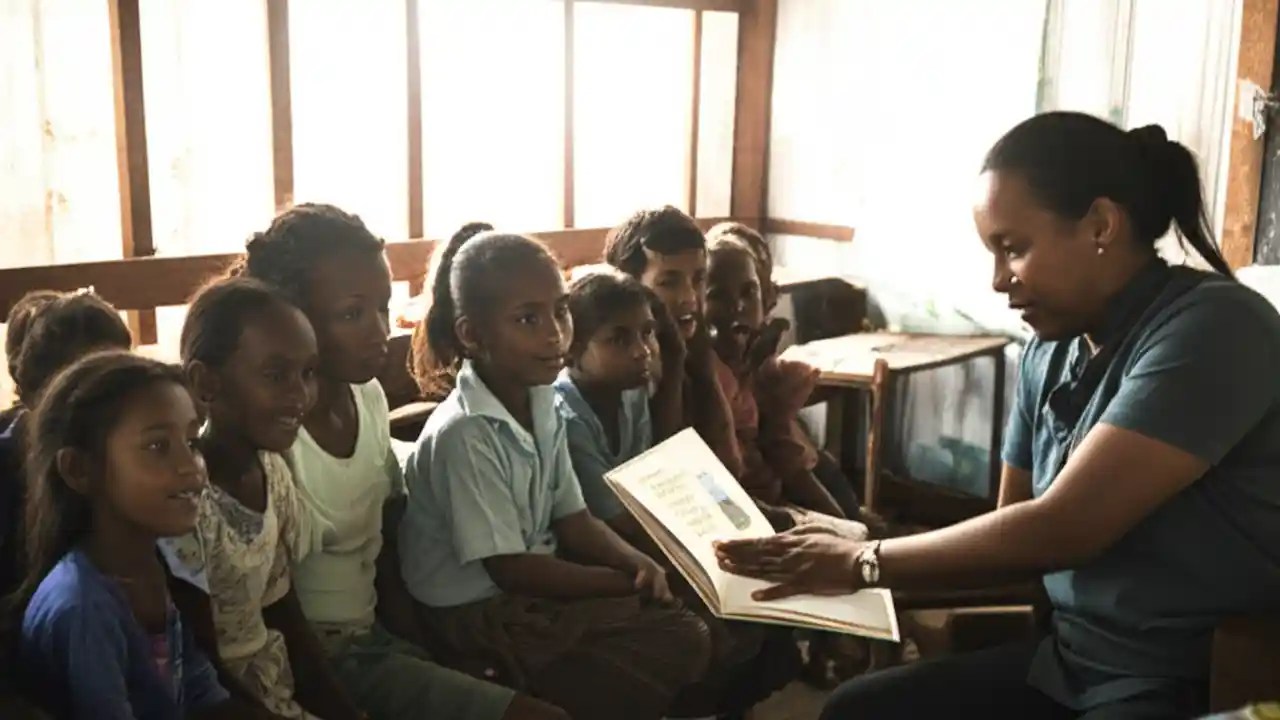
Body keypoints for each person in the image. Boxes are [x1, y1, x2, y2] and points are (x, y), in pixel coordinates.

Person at [714, 112, 1280, 719]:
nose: (997, 280)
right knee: (857, 710)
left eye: (1014, 248)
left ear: (1100, 225)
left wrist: (865, 561)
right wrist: (860, 540)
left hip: (1183, 676)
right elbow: (1013, 536)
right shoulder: (1051, 350)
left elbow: (1064, 528)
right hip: (1070, 663)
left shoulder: (1217, 328)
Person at [240, 204, 562, 720]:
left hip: (377, 637)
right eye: (351, 314)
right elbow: (278, 608)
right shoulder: (276, 438)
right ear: (291, 317)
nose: (377, 331)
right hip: (317, 659)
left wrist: (430, 649)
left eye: (382, 309)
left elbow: (387, 540)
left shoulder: (367, 396)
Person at [402, 228, 711, 720]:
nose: (554, 334)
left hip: (526, 585)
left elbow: (574, 517)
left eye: (560, 311)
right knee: (678, 634)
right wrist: (620, 582)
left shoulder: (542, 399)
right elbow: (510, 567)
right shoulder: (466, 433)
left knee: (683, 619)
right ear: (471, 335)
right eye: (528, 319)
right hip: (477, 612)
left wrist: (636, 563)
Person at [553, 267, 800, 715]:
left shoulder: (628, 392)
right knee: (727, 596)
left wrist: (675, 364)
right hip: (599, 547)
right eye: (619, 339)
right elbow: (614, 523)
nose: (642, 350)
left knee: (773, 536)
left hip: (641, 526)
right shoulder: (567, 419)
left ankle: (733, 696)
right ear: (572, 351)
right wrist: (708, 568)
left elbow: (665, 466)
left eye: (647, 333)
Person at [16, 351, 271, 719]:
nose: (192, 467)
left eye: (191, 442)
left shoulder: (154, 564)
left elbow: (204, 696)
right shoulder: (83, 608)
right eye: (157, 446)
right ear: (79, 470)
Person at [162, 277, 362, 719]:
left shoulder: (272, 472)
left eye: (307, 373)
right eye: (275, 375)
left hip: (273, 684)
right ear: (205, 382)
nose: (300, 395)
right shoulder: (187, 505)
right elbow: (200, 664)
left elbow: (282, 610)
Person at [604, 206, 739, 465]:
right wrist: (675, 359)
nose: (689, 298)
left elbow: (730, 464)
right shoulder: (624, 370)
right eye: (669, 283)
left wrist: (702, 363)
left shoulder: (697, 350)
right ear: (628, 287)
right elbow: (667, 471)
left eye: (699, 279)